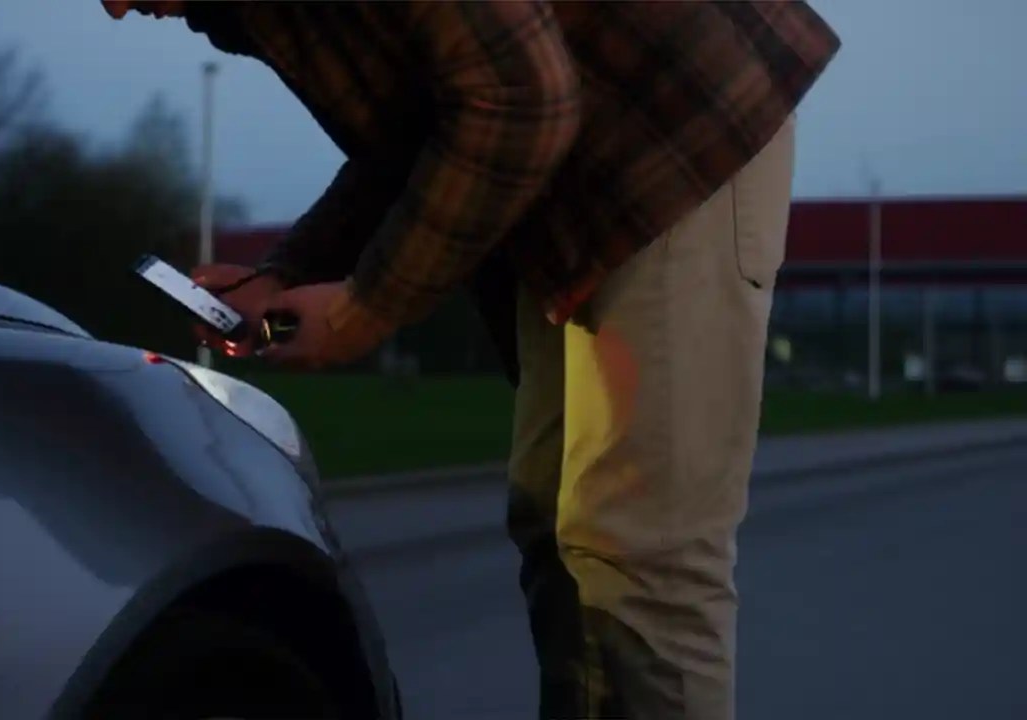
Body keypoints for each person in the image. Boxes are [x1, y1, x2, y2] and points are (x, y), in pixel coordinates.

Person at [102, 2, 840, 718]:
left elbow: (523, 97)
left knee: (644, 557)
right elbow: (419, 126)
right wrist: (292, 271)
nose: (113, 10)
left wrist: (368, 305)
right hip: (570, 176)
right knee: (559, 533)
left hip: (679, 125)